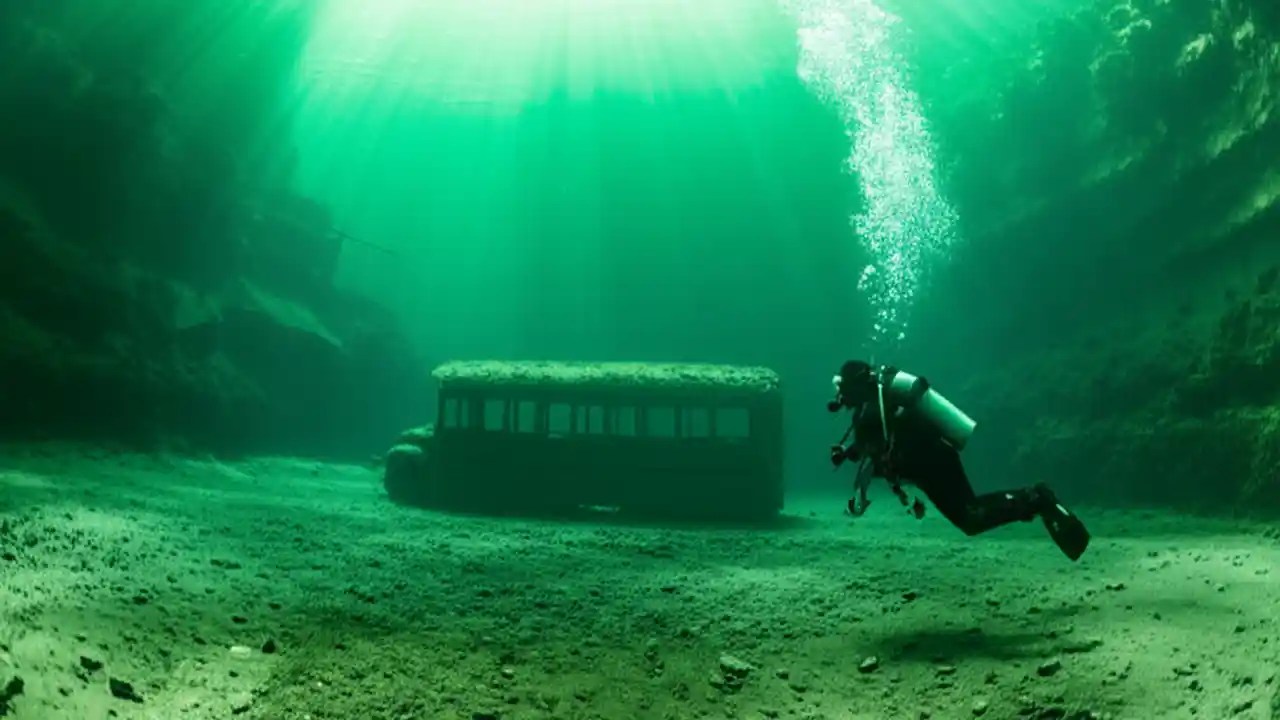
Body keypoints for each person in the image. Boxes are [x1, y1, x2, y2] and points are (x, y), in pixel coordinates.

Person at [827, 360, 1090, 561]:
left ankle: (1036, 498)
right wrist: (849, 452)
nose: (841, 397)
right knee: (970, 516)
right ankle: (1034, 500)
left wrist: (850, 453)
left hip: (932, 464)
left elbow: (871, 446)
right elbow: (871, 446)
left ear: (856, 386)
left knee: (971, 517)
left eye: (843, 388)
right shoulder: (875, 406)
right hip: (932, 461)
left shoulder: (871, 411)